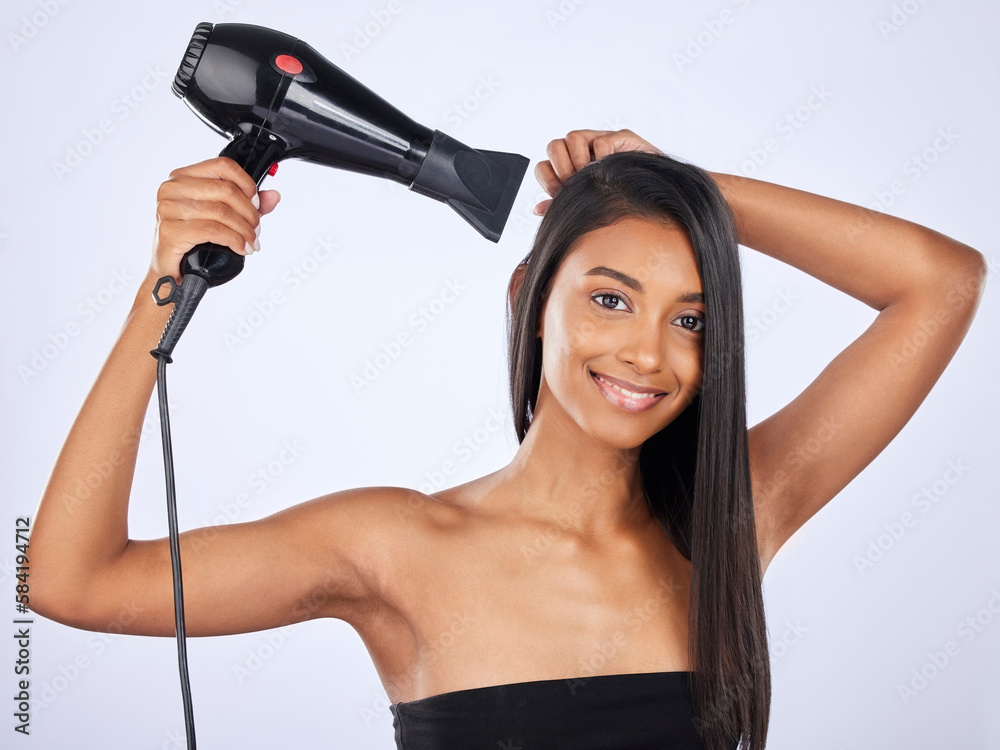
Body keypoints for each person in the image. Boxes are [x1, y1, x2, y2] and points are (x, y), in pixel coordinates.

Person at [28, 129, 986, 750]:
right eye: (609, 298)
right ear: (531, 302)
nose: (648, 353)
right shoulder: (394, 547)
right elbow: (70, 580)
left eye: (691, 320)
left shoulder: (733, 518)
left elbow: (942, 282)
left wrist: (672, 189)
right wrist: (164, 282)